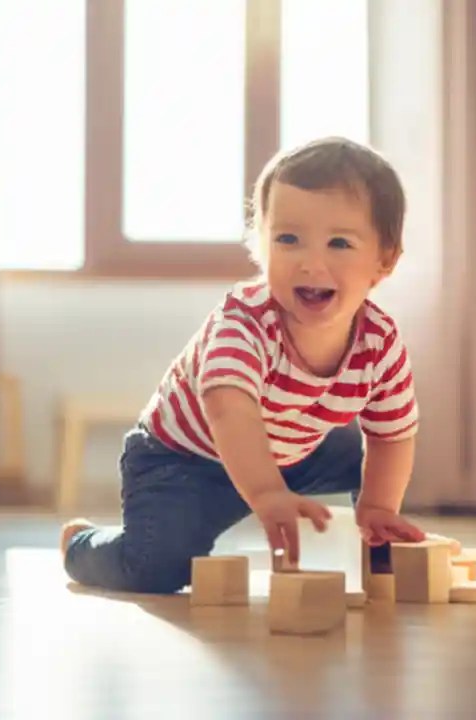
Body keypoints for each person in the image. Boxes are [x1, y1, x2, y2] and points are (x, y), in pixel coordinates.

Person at [60, 136, 426, 593]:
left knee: (355, 451)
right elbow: (228, 410)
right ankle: (82, 545)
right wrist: (269, 495)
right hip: (184, 459)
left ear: (384, 260)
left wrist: (377, 507)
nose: (311, 263)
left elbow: (392, 434)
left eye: (339, 243)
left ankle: (371, 538)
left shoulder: (380, 340)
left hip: (295, 451)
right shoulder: (245, 321)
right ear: (261, 246)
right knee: (157, 568)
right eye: (288, 239)